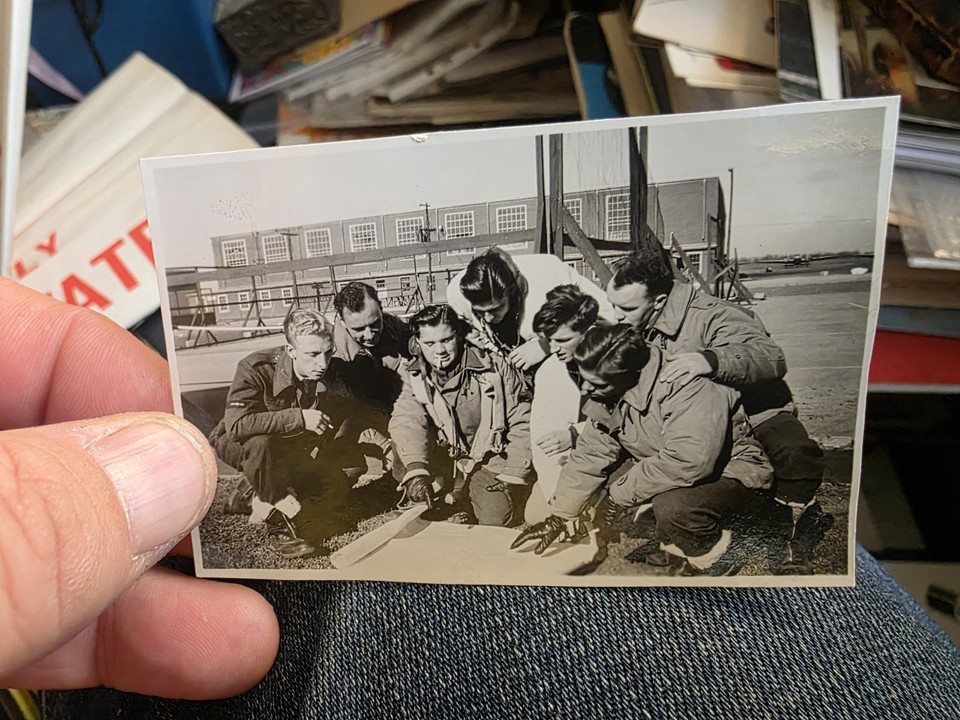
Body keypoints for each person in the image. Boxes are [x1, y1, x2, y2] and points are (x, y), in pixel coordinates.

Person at [2, 278, 959, 717]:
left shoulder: (659, 379)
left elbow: (623, 451)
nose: (435, 352)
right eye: (423, 347)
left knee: (628, 511)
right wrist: (467, 483)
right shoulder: (420, 375)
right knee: (487, 514)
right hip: (448, 470)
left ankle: (744, 529)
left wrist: (569, 499)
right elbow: (440, 428)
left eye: (446, 342)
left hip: (686, 472)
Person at [605, 245, 829, 573]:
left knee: (792, 452)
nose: (615, 316)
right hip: (701, 417)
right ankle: (683, 530)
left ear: (660, 302)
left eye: (625, 308)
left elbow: (770, 356)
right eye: (612, 304)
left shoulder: (713, 314)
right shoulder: (639, 319)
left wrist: (710, 360)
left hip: (754, 409)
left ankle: (792, 526)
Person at [513, 323, 773, 575]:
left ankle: (718, 552)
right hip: (674, 469)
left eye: (597, 385)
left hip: (733, 472)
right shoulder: (613, 386)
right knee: (622, 496)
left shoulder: (689, 386)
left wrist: (618, 495)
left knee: (673, 509)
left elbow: (689, 461)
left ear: (629, 376)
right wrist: (560, 516)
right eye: (584, 380)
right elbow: (592, 452)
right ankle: (677, 537)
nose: (586, 389)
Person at [210, 308, 368, 559]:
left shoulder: (331, 370)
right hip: (240, 443)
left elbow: (349, 410)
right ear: (291, 351)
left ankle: (248, 493)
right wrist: (299, 418)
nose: (322, 363)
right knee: (261, 443)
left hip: (288, 448)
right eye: (312, 355)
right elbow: (237, 425)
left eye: (328, 352)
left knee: (337, 485)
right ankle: (279, 526)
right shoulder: (255, 367)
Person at [389, 304, 533, 526]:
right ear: (417, 343)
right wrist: (416, 470)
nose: (440, 351)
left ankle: (464, 491)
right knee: (404, 444)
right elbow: (406, 418)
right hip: (445, 455)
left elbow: (522, 419)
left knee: (496, 518)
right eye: (429, 343)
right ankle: (441, 485)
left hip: (489, 456)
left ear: (458, 336)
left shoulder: (493, 367)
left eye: (446, 340)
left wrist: (515, 471)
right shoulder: (414, 375)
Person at [445, 247, 613, 374]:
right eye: (480, 312)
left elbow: (606, 317)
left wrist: (545, 345)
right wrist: (471, 334)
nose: (488, 318)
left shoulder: (548, 276)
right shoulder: (456, 293)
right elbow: (460, 322)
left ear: (511, 292)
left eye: (496, 309)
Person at [523, 284, 604, 523]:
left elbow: (628, 427)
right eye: (551, 341)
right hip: (569, 466)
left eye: (564, 340)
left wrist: (576, 435)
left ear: (589, 331)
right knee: (537, 516)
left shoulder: (616, 360)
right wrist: (555, 496)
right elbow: (542, 441)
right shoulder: (550, 371)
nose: (555, 349)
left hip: (611, 460)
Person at [332, 280, 412, 411]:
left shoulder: (396, 327)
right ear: (343, 322)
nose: (369, 335)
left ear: (381, 309)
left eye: (375, 324)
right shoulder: (330, 356)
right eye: (359, 329)